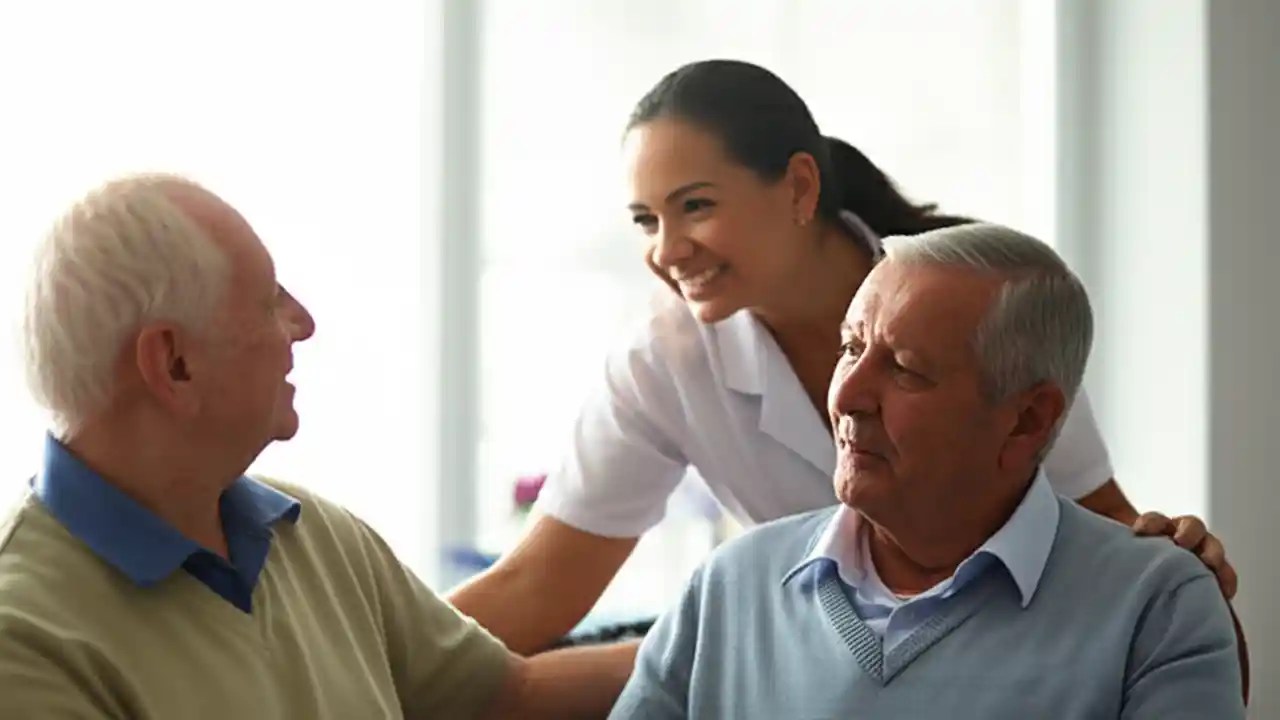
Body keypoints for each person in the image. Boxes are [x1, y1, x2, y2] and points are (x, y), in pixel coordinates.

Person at [449, 58, 1238, 660]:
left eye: (695, 206)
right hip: (818, 649)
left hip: (974, 648)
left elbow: (1103, 533)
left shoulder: (974, 306)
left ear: (799, 187)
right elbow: (537, 587)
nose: (667, 250)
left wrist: (1175, 567)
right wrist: (351, 647)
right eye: (645, 219)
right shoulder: (667, 356)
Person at [0, 174, 625, 719]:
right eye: (270, 300)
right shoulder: (24, 638)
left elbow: (506, 697)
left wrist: (714, 626)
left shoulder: (314, 535)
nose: (302, 324)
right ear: (175, 363)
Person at [609, 223, 1245, 719]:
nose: (847, 395)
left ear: (1026, 420)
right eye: (851, 348)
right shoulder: (731, 585)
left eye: (906, 369)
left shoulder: (1156, 603)